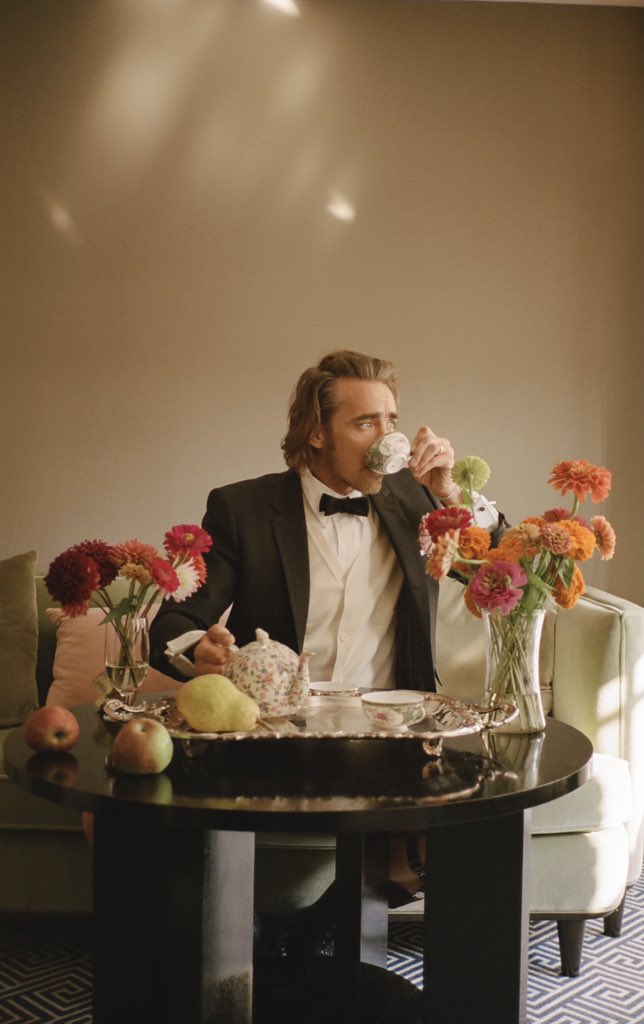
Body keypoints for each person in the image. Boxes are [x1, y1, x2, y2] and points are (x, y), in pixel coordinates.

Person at [150, 349, 497, 952]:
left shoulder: (419, 501)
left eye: (391, 421)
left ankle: (316, 929)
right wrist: (197, 650)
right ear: (316, 432)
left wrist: (453, 495)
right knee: (173, 824)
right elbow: (175, 621)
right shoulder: (244, 508)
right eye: (366, 423)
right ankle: (239, 933)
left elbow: (499, 572)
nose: (386, 439)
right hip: (275, 734)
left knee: (468, 818)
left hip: (389, 734)